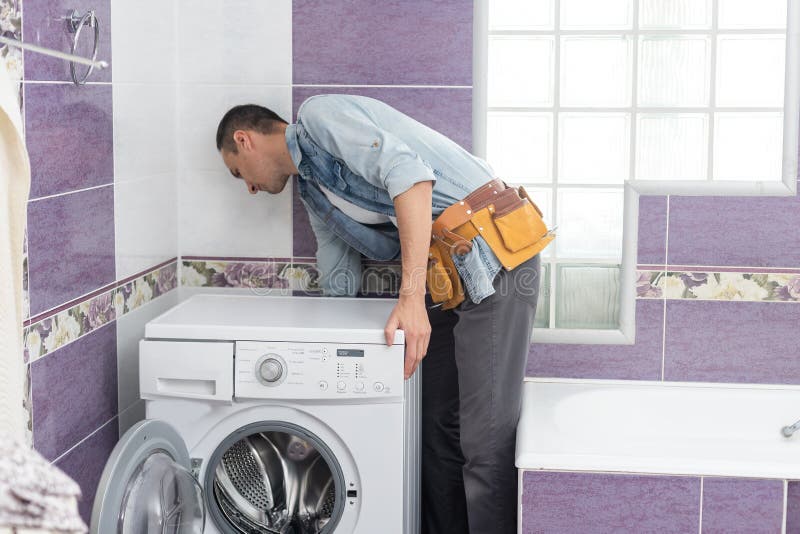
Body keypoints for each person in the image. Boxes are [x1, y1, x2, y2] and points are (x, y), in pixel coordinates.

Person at [216, 94, 546, 534]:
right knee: (431, 428)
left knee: (483, 441)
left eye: (238, 172)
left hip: (492, 255)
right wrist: (318, 363)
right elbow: (338, 276)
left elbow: (411, 178)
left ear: (245, 139)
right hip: (446, 273)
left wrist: (410, 301)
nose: (249, 187)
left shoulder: (318, 117)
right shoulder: (315, 193)